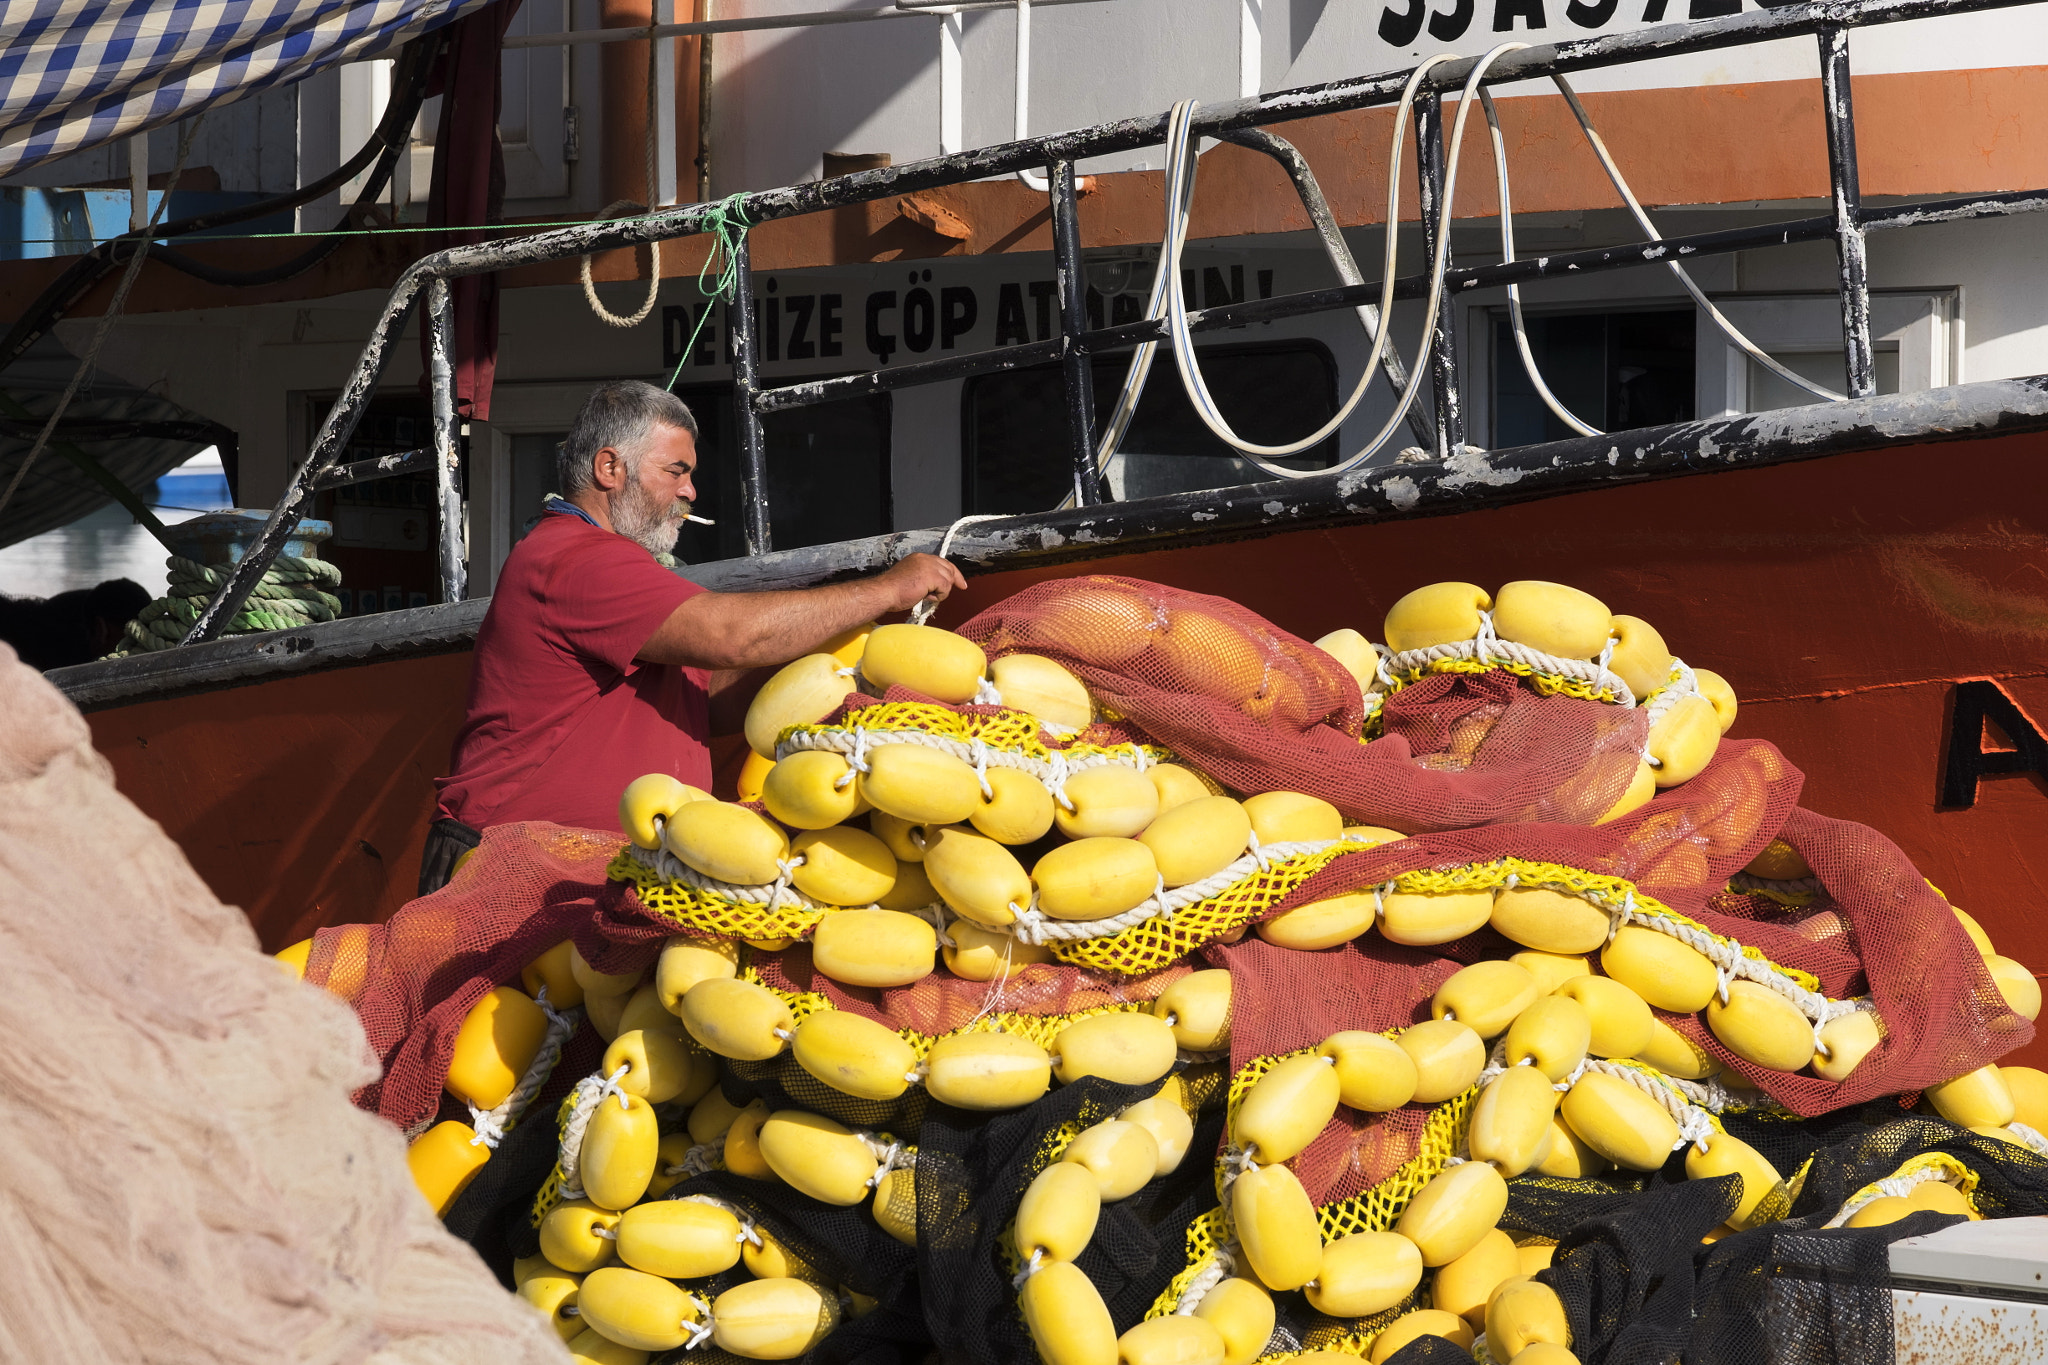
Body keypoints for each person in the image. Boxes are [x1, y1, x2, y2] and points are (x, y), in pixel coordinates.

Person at [424, 380, 965, 893]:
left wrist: (844, 658)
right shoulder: (574, 559)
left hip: (599, 866)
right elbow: (734, 637)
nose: (690, 492)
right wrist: (885, 590)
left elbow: (709, 699)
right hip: (509, 867)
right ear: (609, 467)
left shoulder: (610, 565)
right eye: (676, 471)